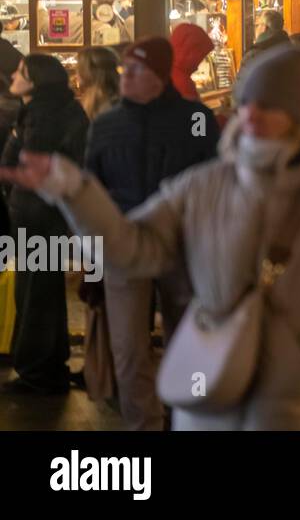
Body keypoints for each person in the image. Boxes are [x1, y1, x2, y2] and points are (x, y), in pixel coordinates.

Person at [1, 47, 300, 429]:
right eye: (247, 103)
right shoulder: (204, 187)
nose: (251, 115)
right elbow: (133, 246)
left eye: (269, 105)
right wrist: (75, 193)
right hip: (213, 401)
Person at [82, 38, 220, 429]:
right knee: (128, 349)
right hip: (124, 245)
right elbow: (93, 187)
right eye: (125, 69)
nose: (126, 77)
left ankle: (183, 417)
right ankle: (143, 424)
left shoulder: (196, 118)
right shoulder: (107, 123)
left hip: (181, 243)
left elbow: (214, 178)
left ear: (159, 76)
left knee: (185, 339)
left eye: (136, 70)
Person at [0, 56, 89, 394]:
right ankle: (49, 365)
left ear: (36, 80)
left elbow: (26, 165)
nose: (13, 74)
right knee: (42, 290)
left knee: (35, 291)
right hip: (44, 215)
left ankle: (38, 372)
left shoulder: (42, 115)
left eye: (21, 72)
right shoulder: (53, 109)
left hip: (37, 216)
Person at [170, 23, 214, 103]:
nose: (199, 63)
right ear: (190, 53)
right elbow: (196, 115)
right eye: (200, 56)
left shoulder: (166, 73)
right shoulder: (184, 84)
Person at [76, 46, 121, 120]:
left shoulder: (110, 105)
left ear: (89, 71)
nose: (76, 73)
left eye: (78, 68)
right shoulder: (93, 98)